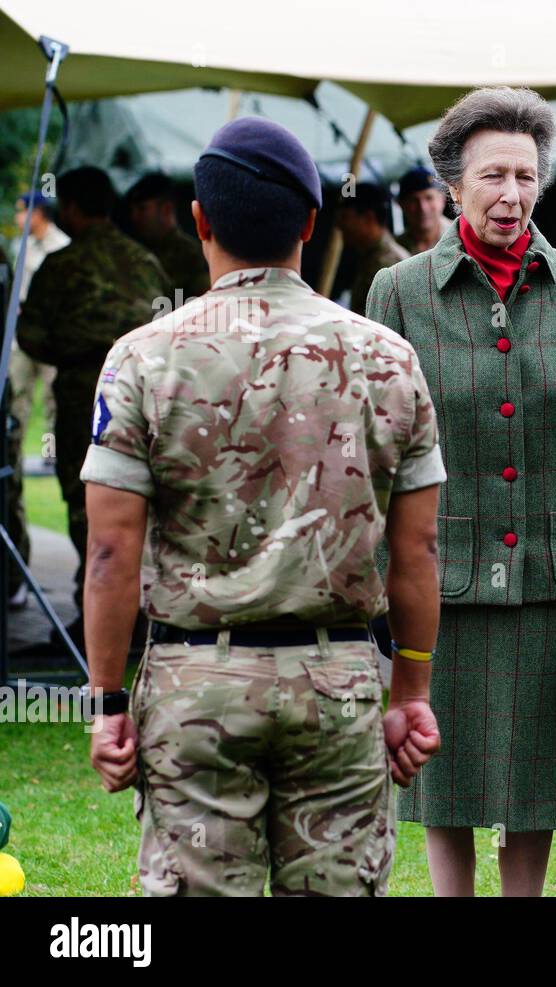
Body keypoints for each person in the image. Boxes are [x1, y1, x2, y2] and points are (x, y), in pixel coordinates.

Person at [82, 117, 444, 896]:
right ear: (312, 224)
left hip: (193, 682)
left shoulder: (141, 357)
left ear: (199, 220)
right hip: (338, 680)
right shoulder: (389, 356)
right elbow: (418, 552)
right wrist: (409, 693)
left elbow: (109, 551)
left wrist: (109, 702)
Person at [366, 86, 556, 897]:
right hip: (439, 579)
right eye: (493, 176)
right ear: (453, 185)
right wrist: (377, 588)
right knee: (440, 776)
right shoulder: (401, 291)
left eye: (526, 176)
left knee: (540, 783)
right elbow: (383, 453)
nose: (512, 195)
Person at [17, 167, 166, 651]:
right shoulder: (145, 262)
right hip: (149, 400)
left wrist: (74, 347)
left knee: (88, 511)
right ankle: (143, 620)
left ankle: (97, 623)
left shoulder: (61, 266)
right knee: (146, 506)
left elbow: (30, 335)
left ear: (75, 208)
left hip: (89, 400)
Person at [9, 192, 67, 445]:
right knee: (17, 398)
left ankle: (53, 455)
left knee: (54, 398)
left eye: (23, 212)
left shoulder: (62, 246)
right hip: (22, 335)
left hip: (53, 335)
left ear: (38, 214)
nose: (18, 218)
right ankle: (13, 463)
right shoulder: (20, 246)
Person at [125, 172, 210, 302]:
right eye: (131, 210)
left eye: (142, 209)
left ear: (166, 209)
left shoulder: (190, 255)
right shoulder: (137, 249)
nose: (134, 217)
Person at [336, 182, 408, 314]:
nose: (340, 224)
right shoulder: (370, 257)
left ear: (369, 218)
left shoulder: (388, 263)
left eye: (346, 217)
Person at [396, 166, 448, 255]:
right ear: (401, 205)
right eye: (414, 200)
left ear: (442, 200)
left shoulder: (461, 237)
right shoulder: (396, 247)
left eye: (429, 198)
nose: (423, 208)